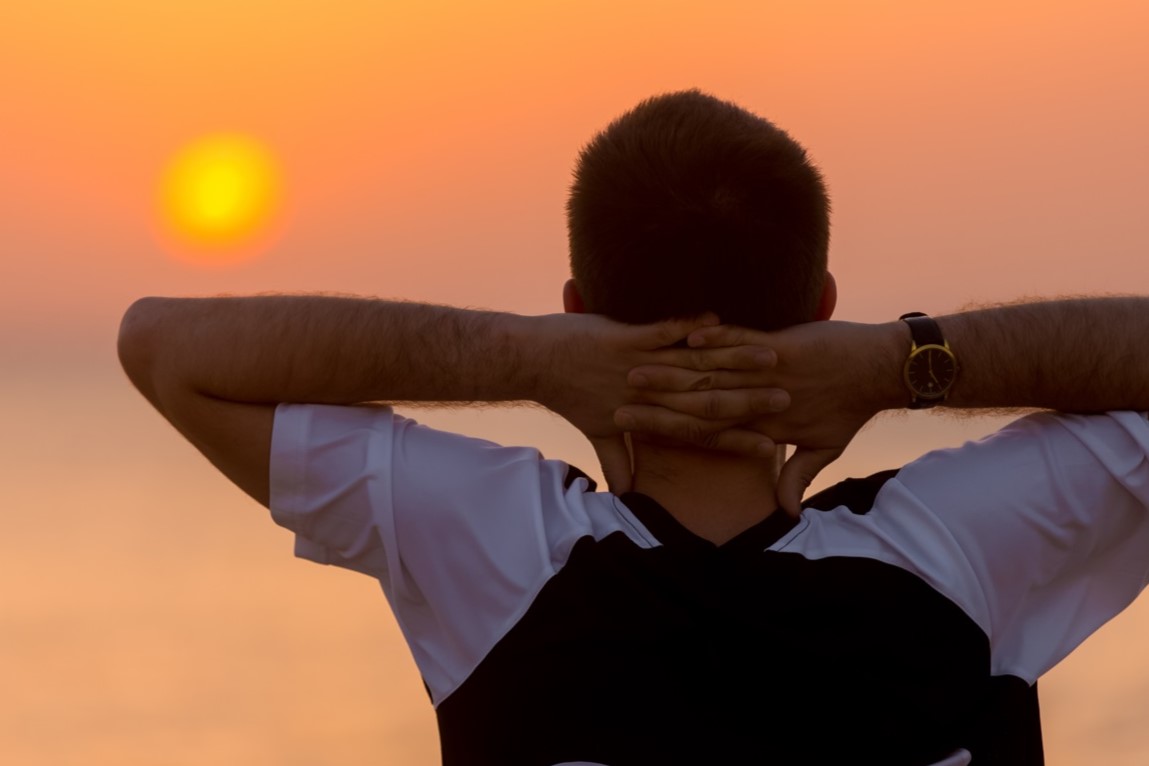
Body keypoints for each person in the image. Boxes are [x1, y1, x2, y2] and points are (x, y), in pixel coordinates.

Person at [118, 90, 1149, 765]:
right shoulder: (965, 550)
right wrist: (903, 360)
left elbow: (165, 348)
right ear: (824, 301)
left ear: (577, 306)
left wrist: (522, 360)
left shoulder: (499, 550)